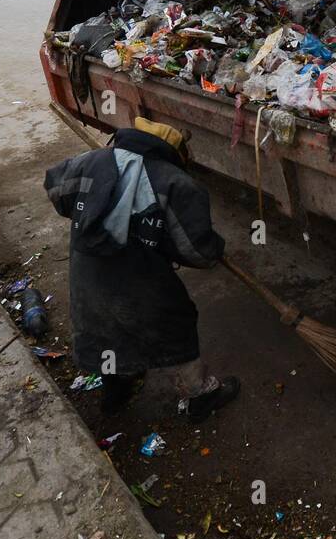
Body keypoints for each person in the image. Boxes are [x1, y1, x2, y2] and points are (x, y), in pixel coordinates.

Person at [44, 118, 239, 420]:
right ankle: (200, 396)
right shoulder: (175, 182)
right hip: (141, 281)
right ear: (174, 153)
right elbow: (198, 252)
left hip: (87, 276)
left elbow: (55, 189)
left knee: (102, 329)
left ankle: (116, 391)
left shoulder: (90, 161)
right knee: (175, 325)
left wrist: (94, 213)